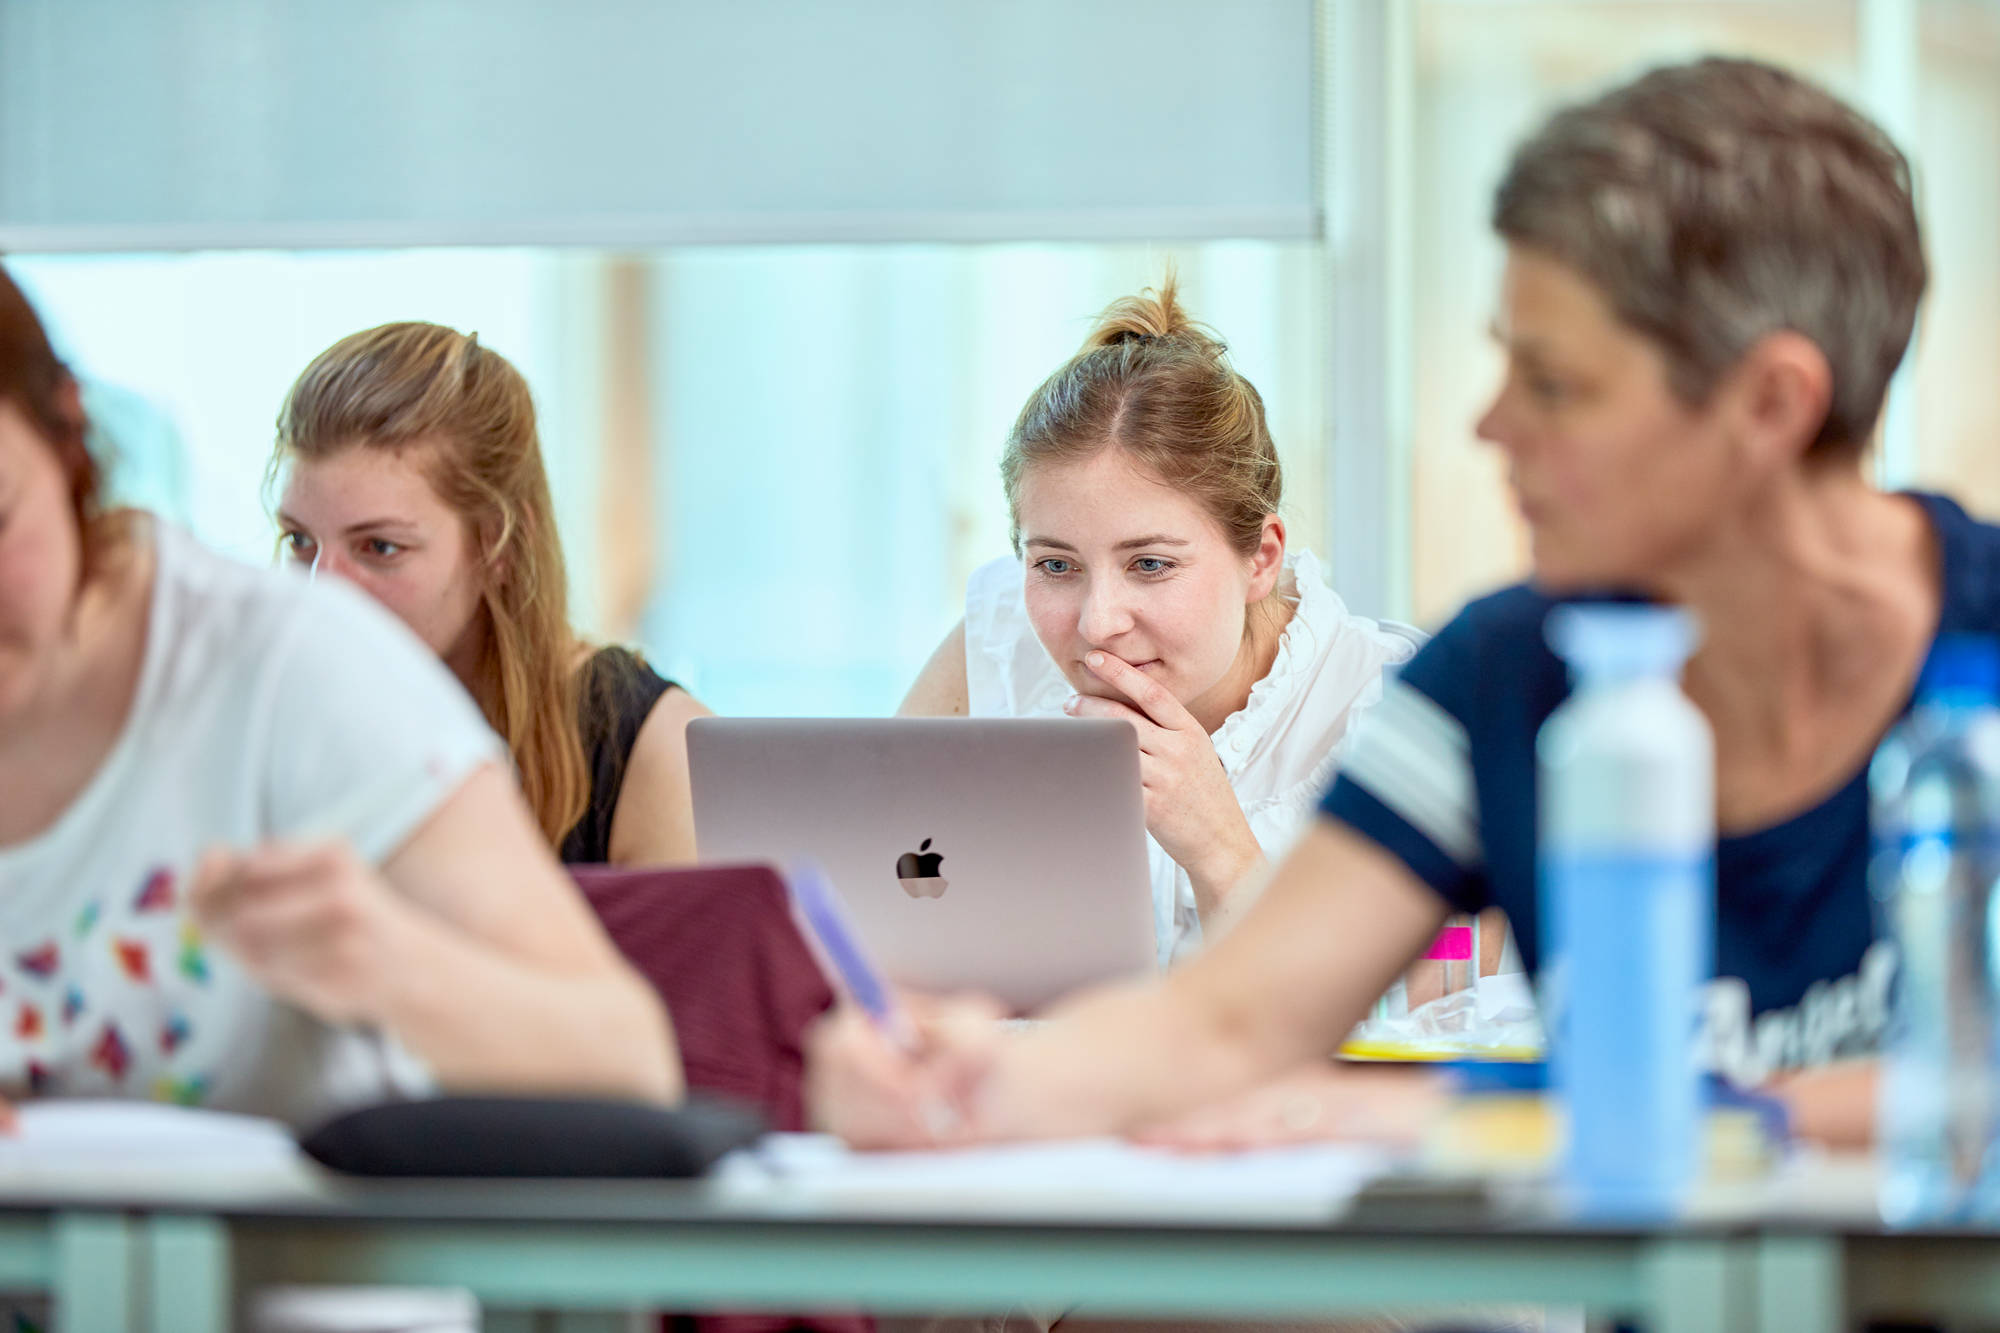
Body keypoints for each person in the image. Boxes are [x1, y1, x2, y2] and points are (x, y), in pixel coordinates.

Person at [812, 56, 1935, 1153]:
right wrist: (965, 1074)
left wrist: (1494, 1117)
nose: (1487, 427)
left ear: (1768, 405)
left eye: (1552, 383)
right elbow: (1233, 1016)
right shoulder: (1495, 676)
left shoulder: (1965, 654)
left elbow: (1959, 1096)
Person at [0, 264, 680, 1130]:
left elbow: (634, 1060)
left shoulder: (299, 666)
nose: (331, 587)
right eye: (298, 541)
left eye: (382, 548)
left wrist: (387, 960)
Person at [900, 278, 1429, 966]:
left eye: (1149, 564)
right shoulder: (999, 641)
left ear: (1261, 558)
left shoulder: (1381, 710)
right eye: (1057, 565)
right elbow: (872, 893)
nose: (1097, 623)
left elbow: (1430, 1022)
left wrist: (1216, 841)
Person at [268, 322, 709, 867]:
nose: (322, 594)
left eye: (380, 547)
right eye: (300, 541)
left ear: (498, 543)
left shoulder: (654, 750)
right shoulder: (278, 729)